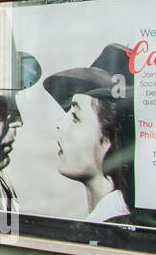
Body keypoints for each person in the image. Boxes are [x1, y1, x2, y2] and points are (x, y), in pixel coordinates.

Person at [42, 44, 136, 224]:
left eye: (75, 117)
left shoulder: (113, 232)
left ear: (110, 139)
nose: (59, 124)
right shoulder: (106, 222)